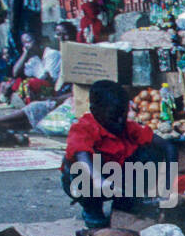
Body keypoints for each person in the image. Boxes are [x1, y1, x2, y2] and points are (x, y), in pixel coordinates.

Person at [61, 79, 176, 228]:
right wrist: (98, 180)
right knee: (80, 166)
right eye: (114, 117)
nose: (121, 121)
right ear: (95, 110)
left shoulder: (128, 128)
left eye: (123, 115)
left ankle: (123, 204)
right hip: (86, 181)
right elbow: (81, 154)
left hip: (115, 179)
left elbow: (168, 147)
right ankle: (92, 208)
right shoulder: (84, 128)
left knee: (149, 153)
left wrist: (166, 187)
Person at [0, 31, 62, 103]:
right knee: (14, 81)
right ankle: (6, 99)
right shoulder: (33, 59)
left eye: (28, 42)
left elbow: (48, 79)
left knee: (28, 83)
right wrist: (25, 54)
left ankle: (27, 103)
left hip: (55, 88)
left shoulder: (52, 54)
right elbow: (15, 73)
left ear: (37, 41)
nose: (26, 46)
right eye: (24, 43)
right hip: (42, 86)